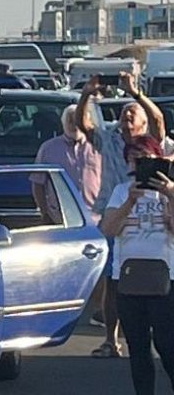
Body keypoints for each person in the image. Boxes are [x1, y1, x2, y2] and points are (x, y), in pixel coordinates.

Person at [77, 74, 172, 358]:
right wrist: (87, 95)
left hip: (151, 211)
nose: (127, 118)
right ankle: (110, 338)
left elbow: (158, 121)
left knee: (149, 275)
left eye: (132, 115)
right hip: (115, 207)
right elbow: (84, 125)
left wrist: (136, 93)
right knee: (112, 279)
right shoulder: (109, 138)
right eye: (123, 114)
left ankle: (157, 334)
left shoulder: (152, 143)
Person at [99, 134, 174, 394]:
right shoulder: (121, 192)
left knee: (167, 345)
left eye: (145, 159)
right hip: (129, 278)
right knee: (138, 348)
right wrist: (130, 202)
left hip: (166, 278)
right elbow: (108, 228)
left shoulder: (170, 192)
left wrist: (171, 197)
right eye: (133, 160)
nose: (138, 165)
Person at [33, 105, 102, 226]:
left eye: (78, 120)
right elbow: (38, 184)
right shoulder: (48, 149)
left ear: (88, 122)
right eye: (70, 120)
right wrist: (45, 213)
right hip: (60, 219)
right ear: (63, 123)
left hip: (97, 218)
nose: (74, 124)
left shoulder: (99, 147)